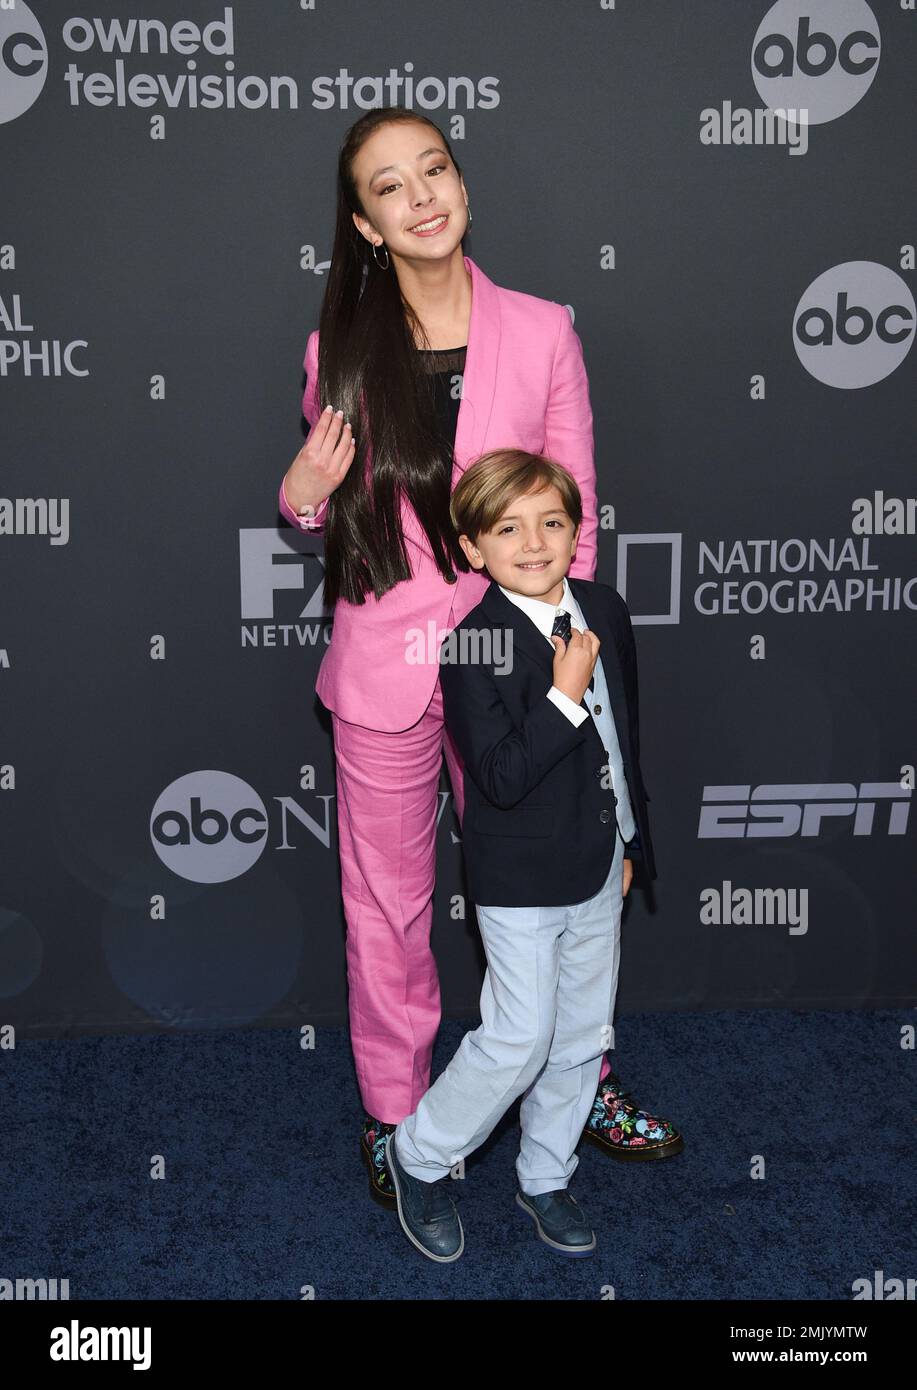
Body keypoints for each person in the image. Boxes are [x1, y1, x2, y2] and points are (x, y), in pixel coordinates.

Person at [277, 106, 681, 1204]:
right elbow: (327, 506)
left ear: (461, 185)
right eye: (390, 186)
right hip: (388, 665)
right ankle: (397, 1110)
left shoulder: (544, 330)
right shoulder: (338, 353)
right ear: (364, 224)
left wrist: (567, 648)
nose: (421, 195)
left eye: (435, 169)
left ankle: (574, 1076)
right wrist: (298, 499)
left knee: (563, 886)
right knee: (390, 903)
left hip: (523, 669)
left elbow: (575, 516)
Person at [387, 451, 663, 1261]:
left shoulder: (605, 610)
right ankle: (420, 1154)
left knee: (582, 1033)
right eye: (507, 528)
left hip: (598, 862)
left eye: (551, 522)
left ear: (578, 531)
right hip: (518, 877)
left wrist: (629, 841)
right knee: (519, 1037)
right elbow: (500, 779)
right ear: (472, 549)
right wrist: (562, 693)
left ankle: (545, 1174)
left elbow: (624, 741)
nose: (534, 542)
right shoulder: (472, 646)